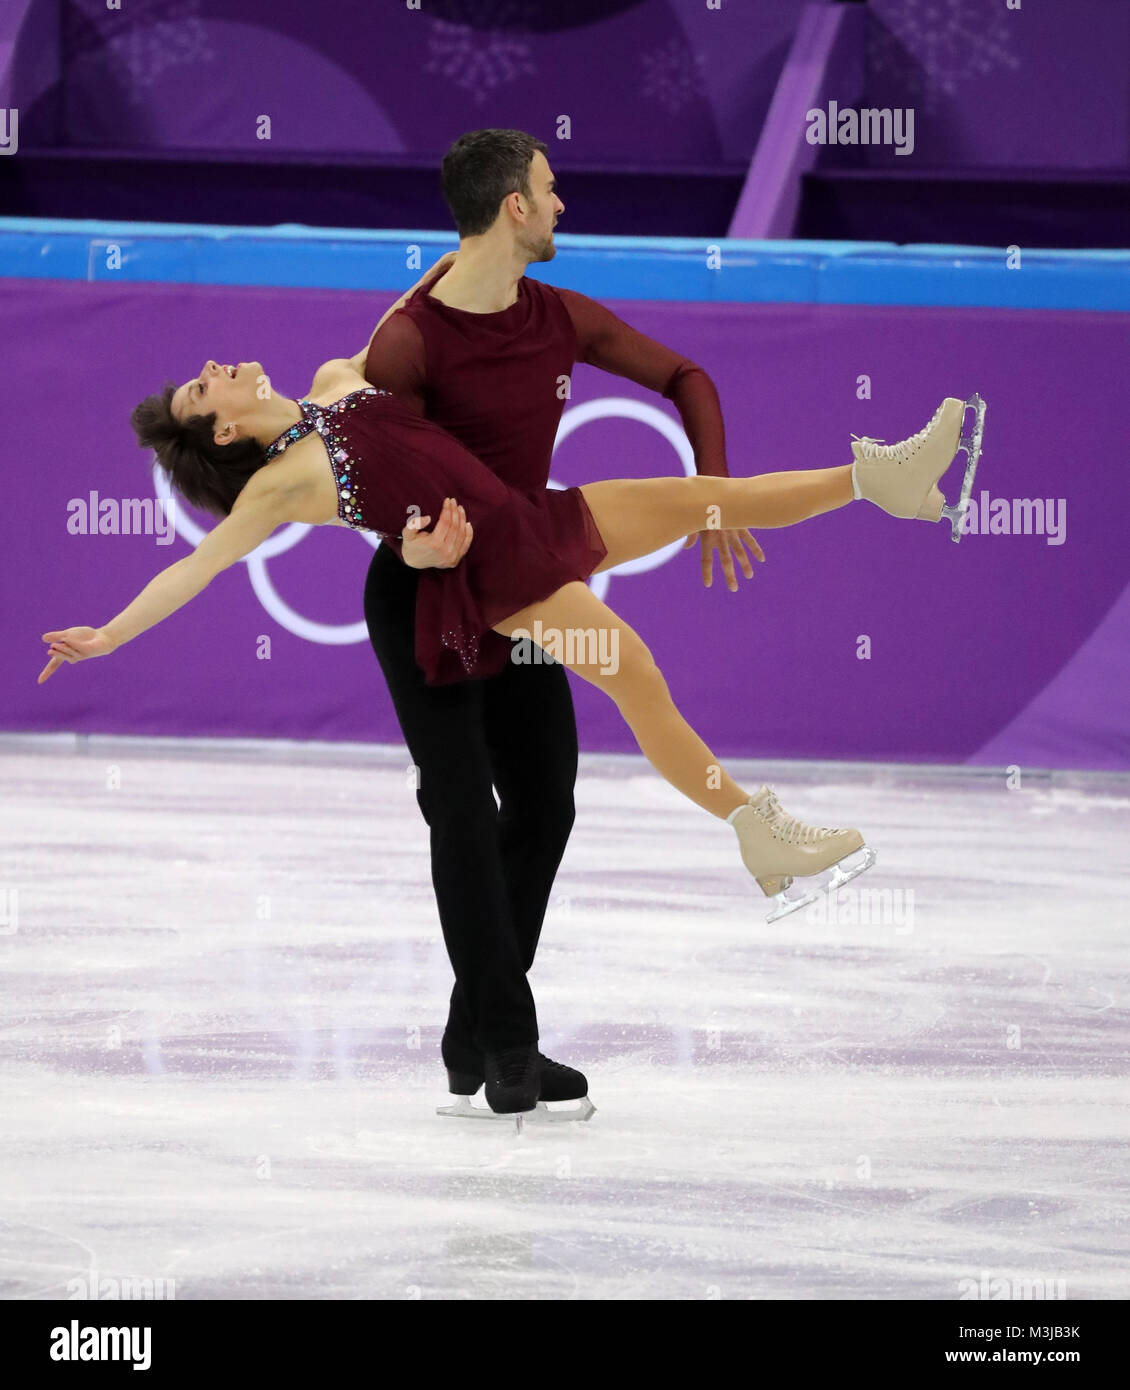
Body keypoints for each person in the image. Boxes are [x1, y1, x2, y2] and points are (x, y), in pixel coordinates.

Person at [40, 333, 974, 1112]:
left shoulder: (336, 381)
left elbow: (422, 313)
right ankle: (756, 830)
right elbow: (196, 571)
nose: (218, 367)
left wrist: (483, 238)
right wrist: (111, 634)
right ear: (229, 426)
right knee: (634, 673)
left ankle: (876, 480)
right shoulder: (282, 483)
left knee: (704, 500)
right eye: (206, 388)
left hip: (531, 518)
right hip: (493, 580)